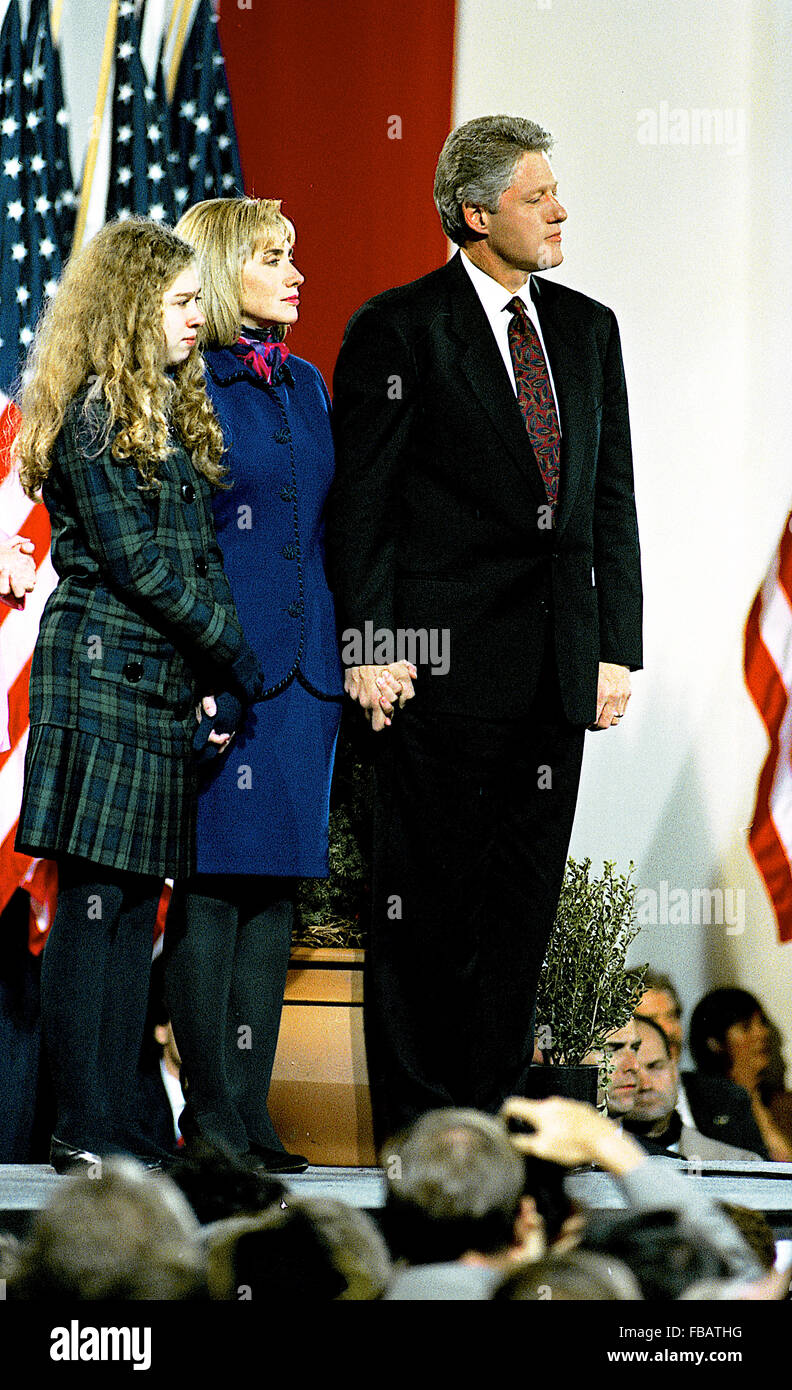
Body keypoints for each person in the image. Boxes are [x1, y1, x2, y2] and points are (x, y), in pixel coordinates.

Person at [327, 113, 643, 1141]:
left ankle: (497, 1140)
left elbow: (610, 502)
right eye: (537, 194)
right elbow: (365, 505)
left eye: (556, 190)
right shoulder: (399, 328)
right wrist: (372, 646)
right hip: (437, 678)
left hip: (555, 674)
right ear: (475, 212)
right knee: (427, 918)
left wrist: (616, 645)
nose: (561, 209)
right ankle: (425, 1146)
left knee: (519, 924)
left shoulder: (589, 329)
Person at [14, 218, 264, 1173]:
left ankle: (115, 1121)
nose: (200, 317)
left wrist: (213, 671)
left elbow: (194, 556)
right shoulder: (91, 415)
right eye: (182, 302)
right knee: (96, 904)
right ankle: (81, 1125)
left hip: (157, 687)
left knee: (130, 914)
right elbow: (141, 566)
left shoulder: (163, 408)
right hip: (104, 682)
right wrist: (237, 655)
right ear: (129, 311)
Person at [168, 197, 344, 1172]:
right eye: (273, 257)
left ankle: (251, 1108)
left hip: (306, 679)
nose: (295, 272)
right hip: (225, 671)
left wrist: (353, 654)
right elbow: (187, 538)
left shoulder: (309, 383)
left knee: (274, 894)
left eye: (295, 253)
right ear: (225, 271)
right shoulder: (187, 380)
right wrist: (204, 668)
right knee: (211, 893)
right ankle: (212, 1118)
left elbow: (329, 532)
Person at [623, 1015, 761, 1159]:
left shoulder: (738, 1162)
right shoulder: (600, 1165)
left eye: (655, 1067)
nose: (646, 1085)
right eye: (632, 1072)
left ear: (674, 1068)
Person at [689, 987, 792, 1161]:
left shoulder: (783, 1105)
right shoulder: (703, 1107)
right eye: (746, 1027)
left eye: (762, 1024)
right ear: (714, 1043)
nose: (762, 1033)